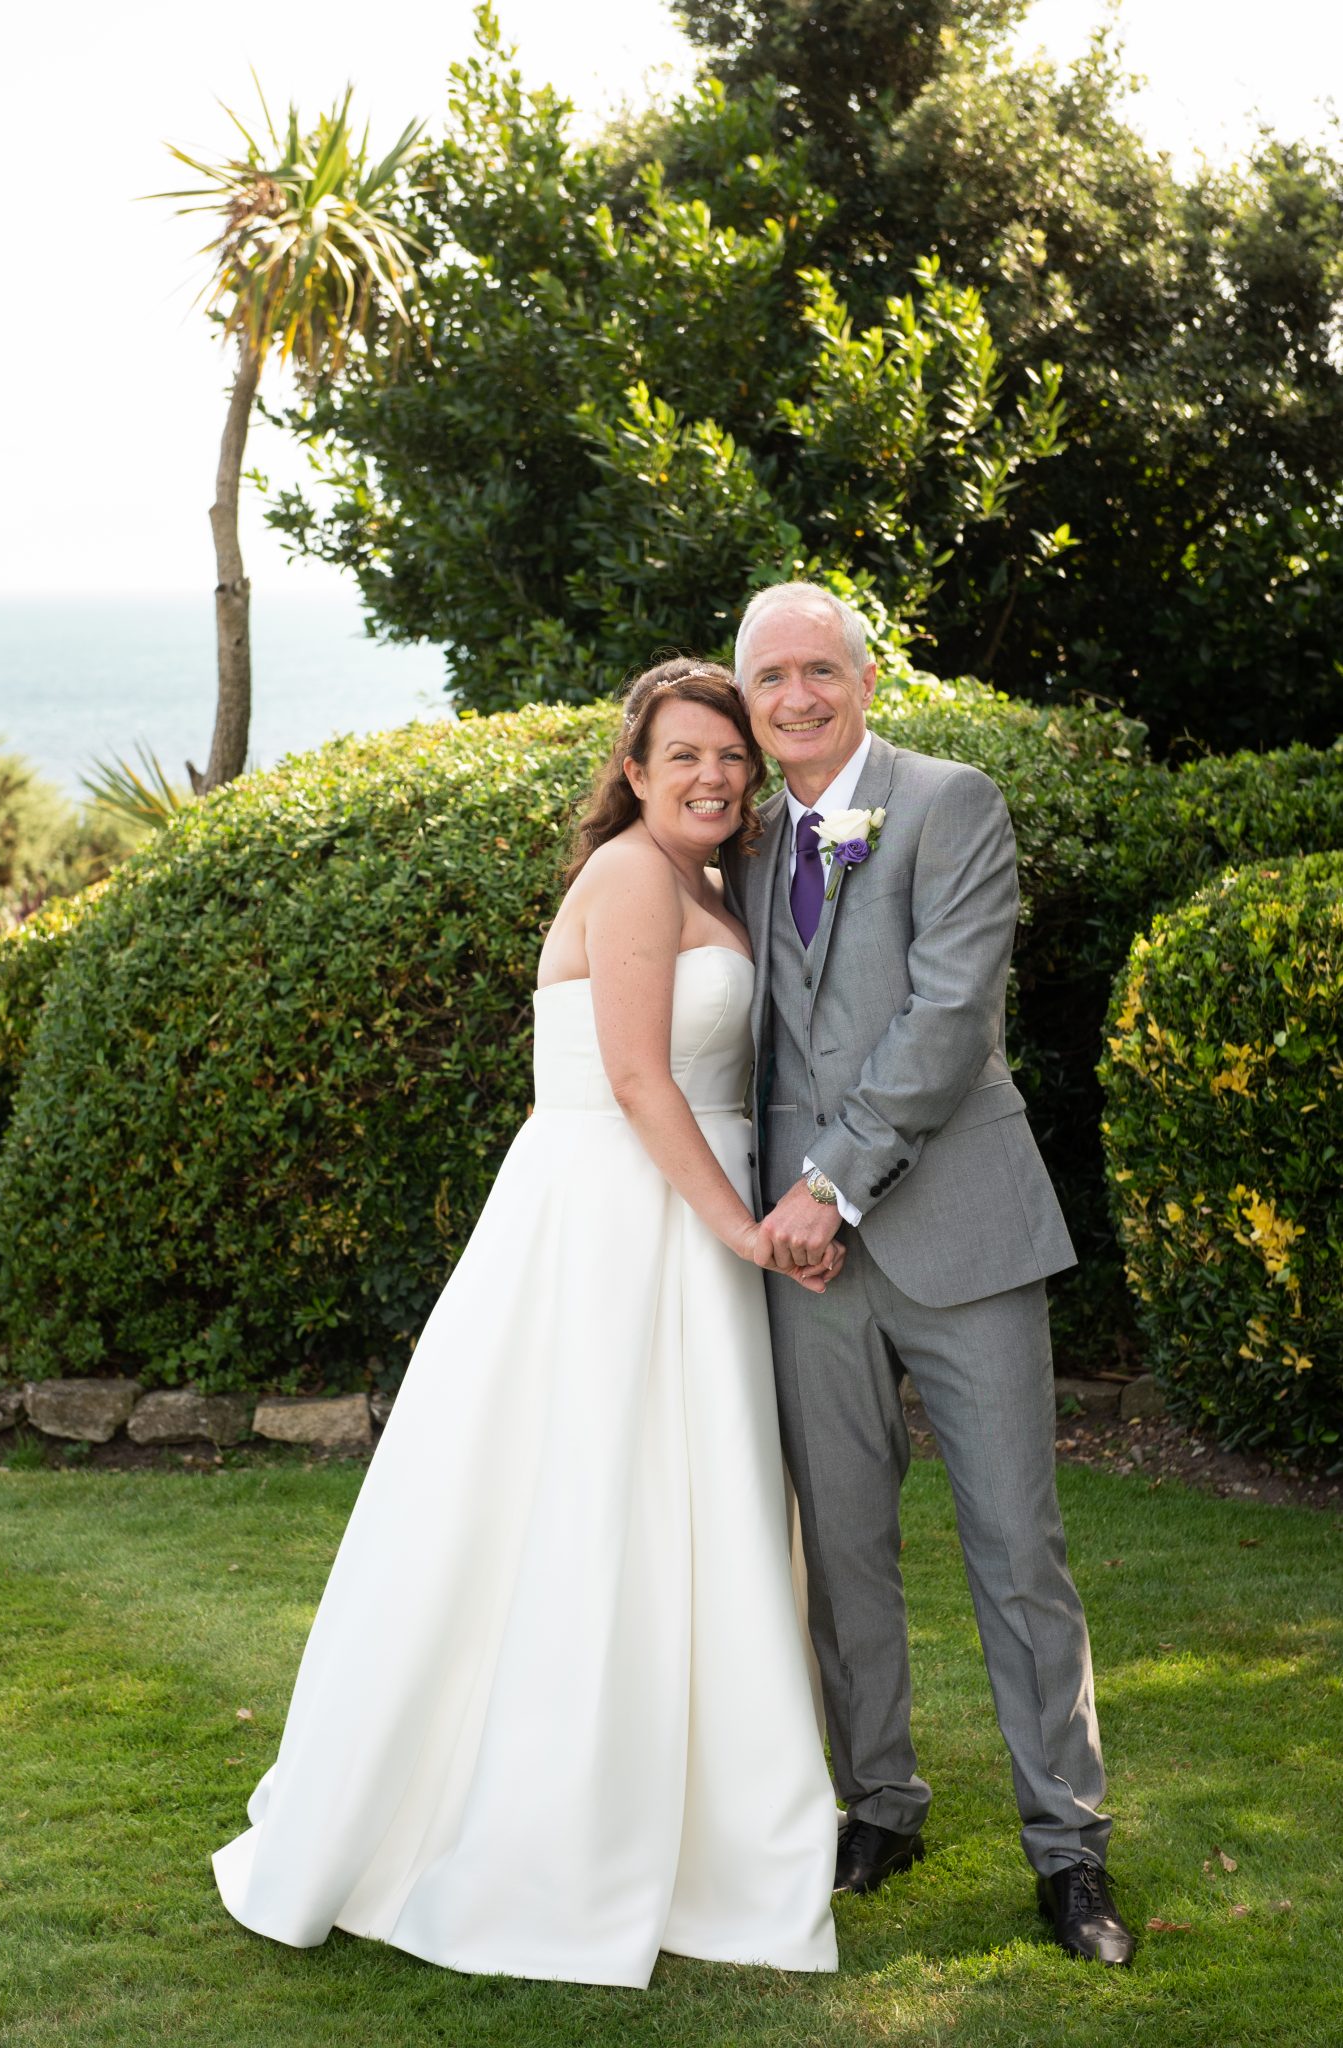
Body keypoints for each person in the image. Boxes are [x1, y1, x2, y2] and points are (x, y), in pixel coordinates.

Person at [212, 660, 841, 1990]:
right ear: (633, 769)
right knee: (588, 1502)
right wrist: (738, 1228)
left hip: (683, 1214)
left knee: (694, 1509)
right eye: (685, 757)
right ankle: (562, 1824)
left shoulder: (709, 884)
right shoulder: (627, 876)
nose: (715, 777)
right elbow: (628, 1074)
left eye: (729, 756)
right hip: (620, 1219)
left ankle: (706, 1815)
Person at [721, 581, 1136, 1968]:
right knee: (840, 1551)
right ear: (748, 693)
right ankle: (880, 1805)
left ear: (866, 678)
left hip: (956, 1235)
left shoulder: (952, 804)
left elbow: (949, 1017)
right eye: (771, 676)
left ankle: (1068, 1850)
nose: (797, 696)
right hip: (802, 1264)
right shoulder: (742, 834)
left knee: (1019, 1553)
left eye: (819, 670)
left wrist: (829, 1186)